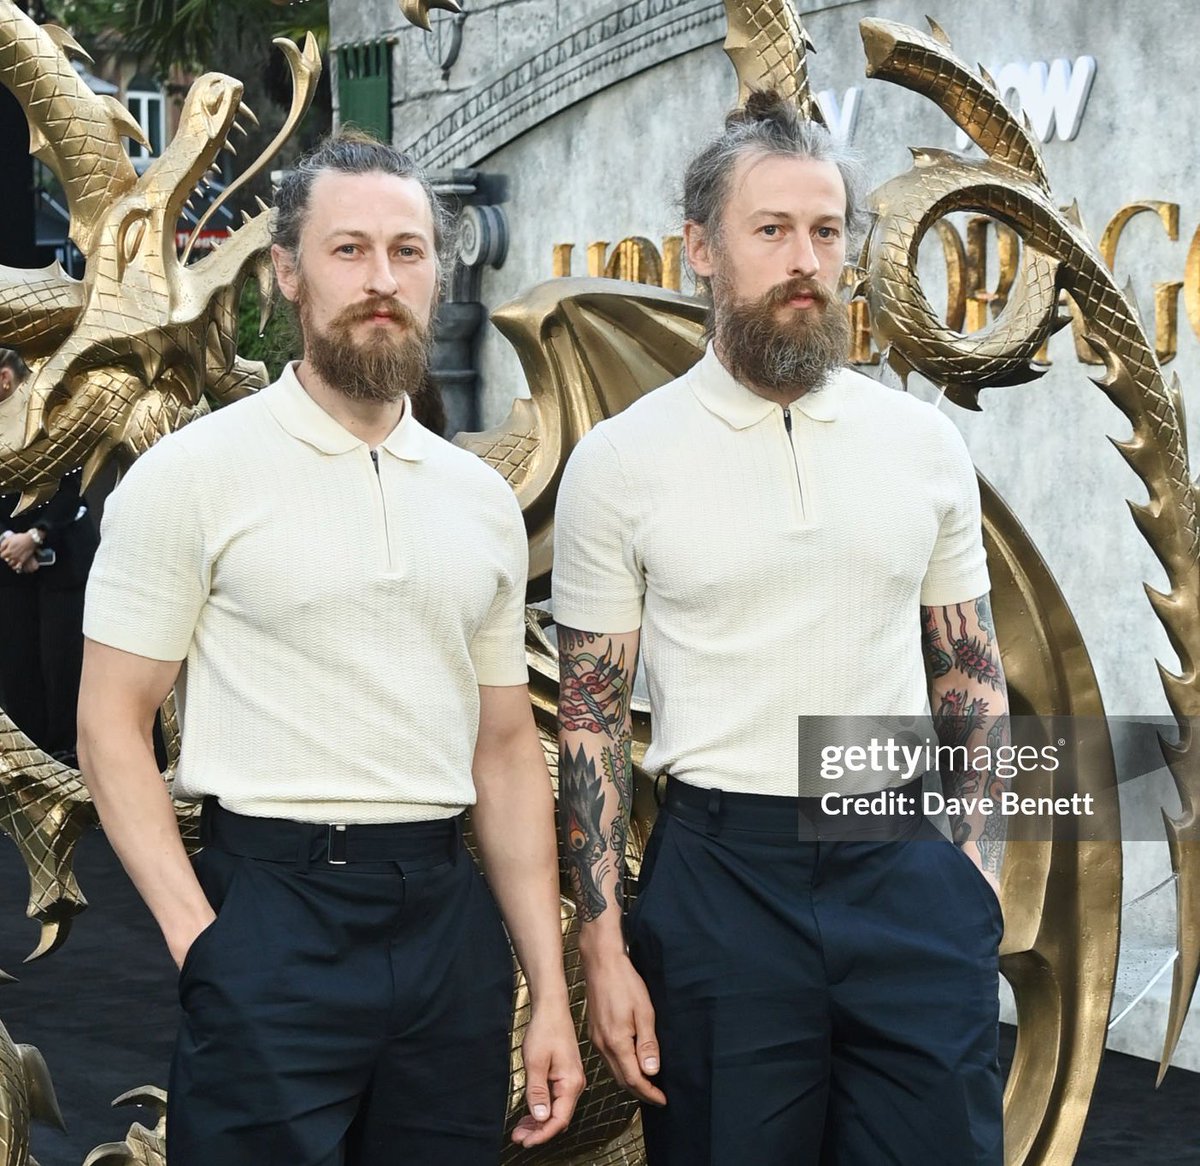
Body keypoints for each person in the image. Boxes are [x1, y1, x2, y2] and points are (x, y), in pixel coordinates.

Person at [77, 131, 584, 1166]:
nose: (381, 279)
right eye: (348, 249)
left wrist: (548, 988)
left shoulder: (480, 497)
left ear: (439, 273)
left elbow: (502, 749)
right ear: (286, 272)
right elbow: (109, 722)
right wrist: (201, 943)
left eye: (407, 251)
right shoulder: (193, 475)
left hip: (449, 929)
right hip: (271, 914)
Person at [552, 92, 1009, 1165]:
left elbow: (969, 676)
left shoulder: (923, 445)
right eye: (772, 231)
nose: (806, 258)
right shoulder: (620, 461)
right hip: (723, 882)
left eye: (826, 229)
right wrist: (603, 940)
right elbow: (591, 719)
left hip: (905, 862)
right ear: (701, 250)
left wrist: (974, 881)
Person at [0, 347, 99, 763]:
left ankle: (70, 754)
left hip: (64, 564)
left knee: (63, 662)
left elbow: (71, 488)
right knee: (16, 660)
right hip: (9, 565)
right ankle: (29, 757)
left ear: (6, 378)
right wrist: (8, 540)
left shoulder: (58, 417)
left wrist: (34, 537)